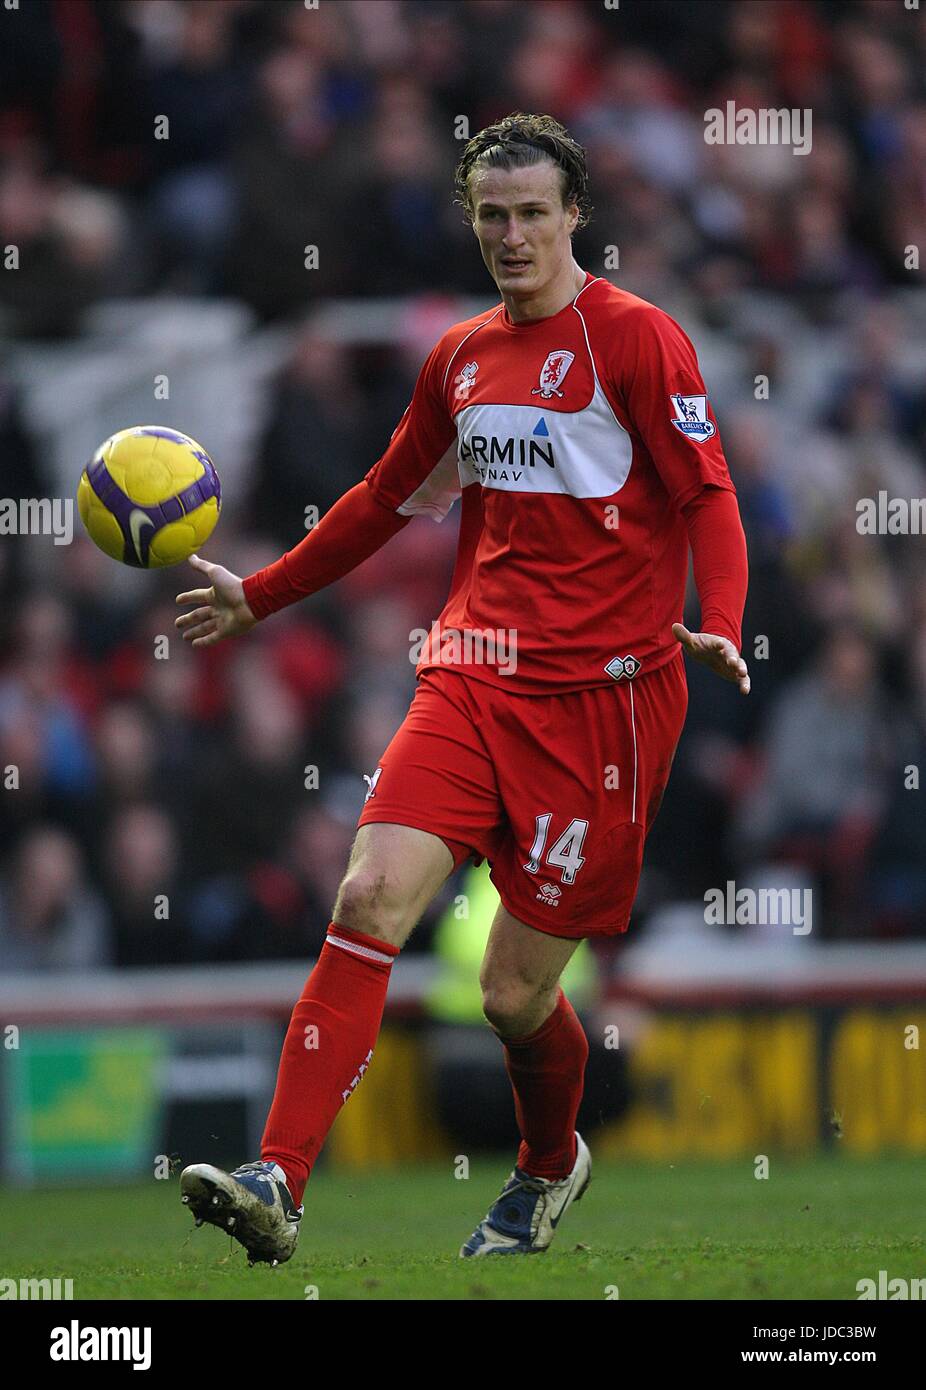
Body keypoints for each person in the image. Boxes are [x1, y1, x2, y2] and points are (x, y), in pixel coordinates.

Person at [175, 113, 749, 1265]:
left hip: (605, 707)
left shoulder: (636, 342)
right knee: (366, 894)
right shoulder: (459, 357)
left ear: (573, 214)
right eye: (490, 215)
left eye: (532, 212)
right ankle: (275, 1180)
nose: (510, 235)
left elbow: (708, 500)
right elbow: (384, 497)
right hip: (470, 676)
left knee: (509, 998)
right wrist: (263, 593)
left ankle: (546, 1167)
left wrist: (723, 625)